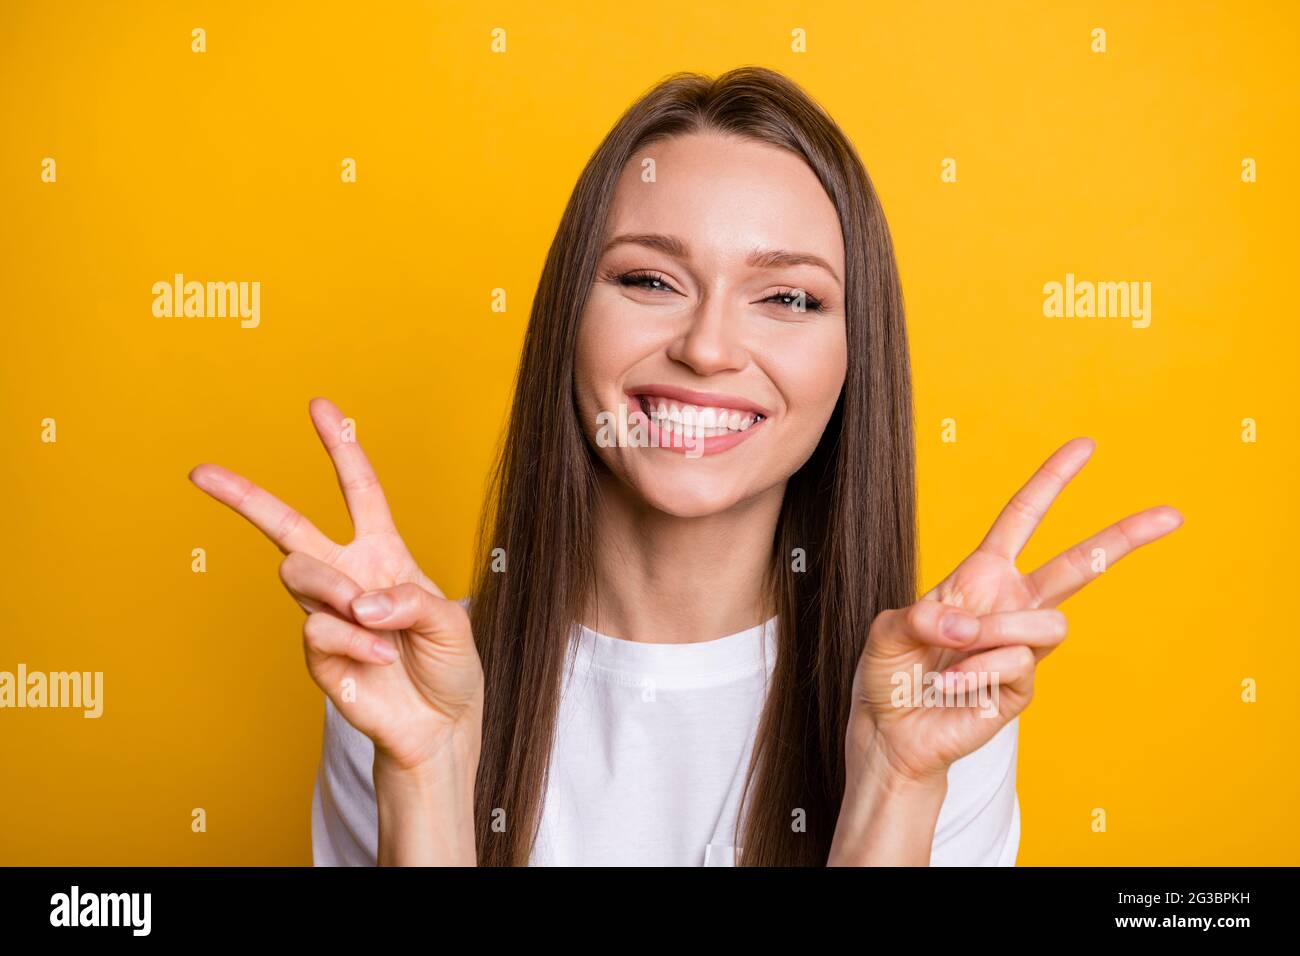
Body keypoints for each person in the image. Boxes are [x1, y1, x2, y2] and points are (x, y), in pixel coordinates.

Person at [188, 66, 1182, 866]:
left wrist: (895, 779)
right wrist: (428, 771)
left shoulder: (937, 707)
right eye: (649, 279)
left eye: (787, 298)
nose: (707, 348)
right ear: (565, 325)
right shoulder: (405, 688)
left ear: (853, 362)